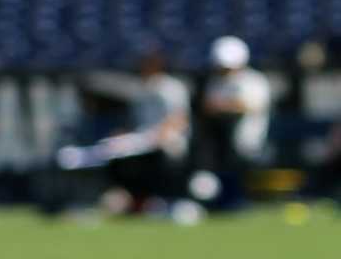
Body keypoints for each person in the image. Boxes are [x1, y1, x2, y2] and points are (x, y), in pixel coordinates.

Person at [112, 47, 191, 218]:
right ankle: (137, 202)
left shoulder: (171, 88)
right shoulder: (140, 89)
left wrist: (159, 135)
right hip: (143, 141)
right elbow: (136, 121)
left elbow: (179, 118)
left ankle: (168, 201)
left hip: (168, 141)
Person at [198, 36, 273, 212]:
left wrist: (223, 105)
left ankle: (237, 201)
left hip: (247, 138)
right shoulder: (216, 82)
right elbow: (208, 106)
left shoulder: (254, 80)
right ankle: (222, 202)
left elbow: (251, 105)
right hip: (221, 140)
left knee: (237, 171)